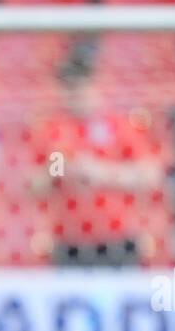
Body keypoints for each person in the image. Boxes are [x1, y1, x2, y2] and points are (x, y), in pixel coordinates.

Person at [39, 54, 163, 267]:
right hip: (69, 241)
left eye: (82, 87)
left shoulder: (119, 126)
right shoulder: (53, 129)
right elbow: (32, 183)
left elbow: (151, 174)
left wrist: (101, 173)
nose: (77, 95)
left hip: (118, 238)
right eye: (71, 88)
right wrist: (59, 171)